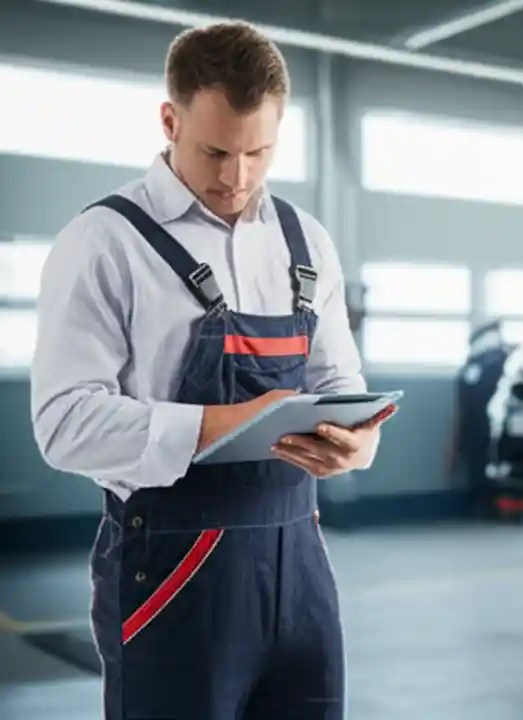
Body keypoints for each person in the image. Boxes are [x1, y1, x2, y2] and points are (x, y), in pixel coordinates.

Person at [29, 20, 392, 719]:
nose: (237, 177)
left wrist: (360, 440)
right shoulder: (104, 242)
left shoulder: (304, 240)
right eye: (216, 150)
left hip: (302, 562)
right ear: (170, 119)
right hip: (172, 570)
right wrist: (234, 423)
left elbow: (340, 381)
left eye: (260, 151)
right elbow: (63, 424)